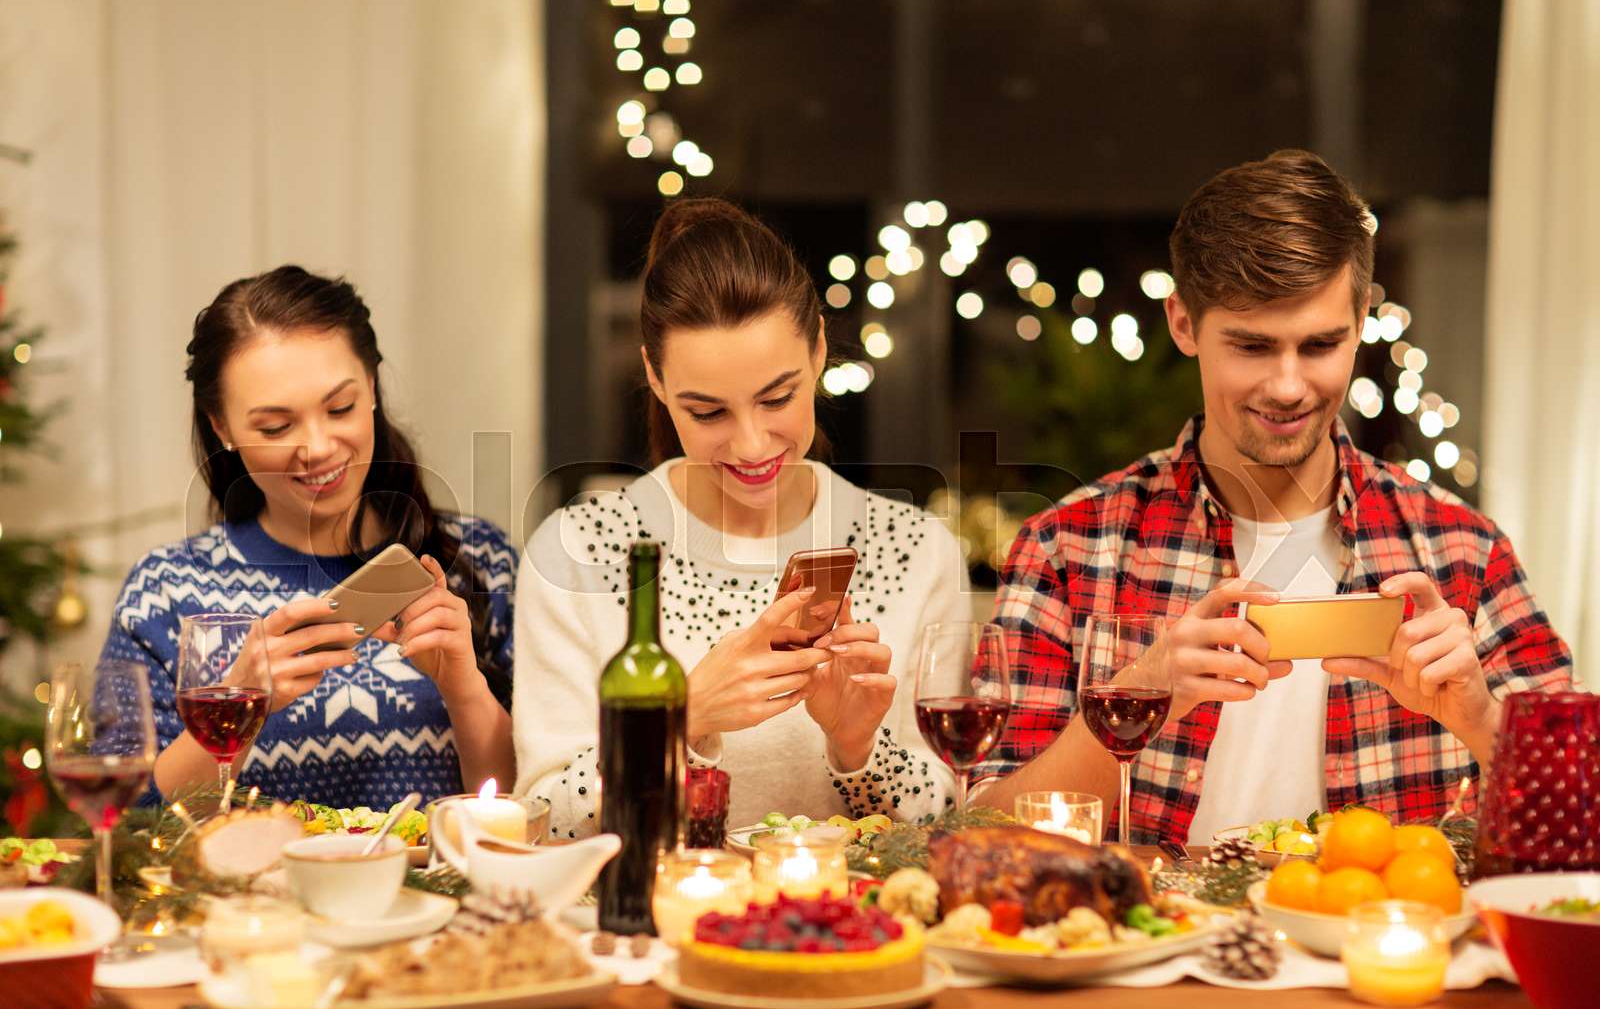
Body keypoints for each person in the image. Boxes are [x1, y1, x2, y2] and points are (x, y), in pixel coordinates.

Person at [973, 149, 1582, 844]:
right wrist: (1138, 697)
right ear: (1182, 323)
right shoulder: (1068, 547)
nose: (1289, 385)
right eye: (1254, 347)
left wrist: (1478, 717)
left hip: (1383, 950)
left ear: (1359, 324)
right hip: (1157, 949)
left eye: (1320, 344)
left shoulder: (1463, 552)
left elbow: (1576, 826)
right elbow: (979, 833)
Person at [513, 197, 968, 837]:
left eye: (777, 398)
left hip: (850, 932)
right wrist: (681, 716)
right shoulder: (577, 551)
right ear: (656, 377)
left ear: (817, 353)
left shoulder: (915, 549)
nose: (752, 444)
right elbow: (542, 824)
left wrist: (858, 748)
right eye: (708, 413)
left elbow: (944, 828)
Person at [101, 266, 518, 808]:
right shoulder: (164, 592)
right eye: (276, 427)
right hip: (246, 895)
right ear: (222, 427)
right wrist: (237, 709)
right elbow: (123, 823)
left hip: (442, 895)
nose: (318, 446)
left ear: (371, 387)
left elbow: (529, 810)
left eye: (339, 407)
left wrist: (464, 687)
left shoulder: (479, 560)